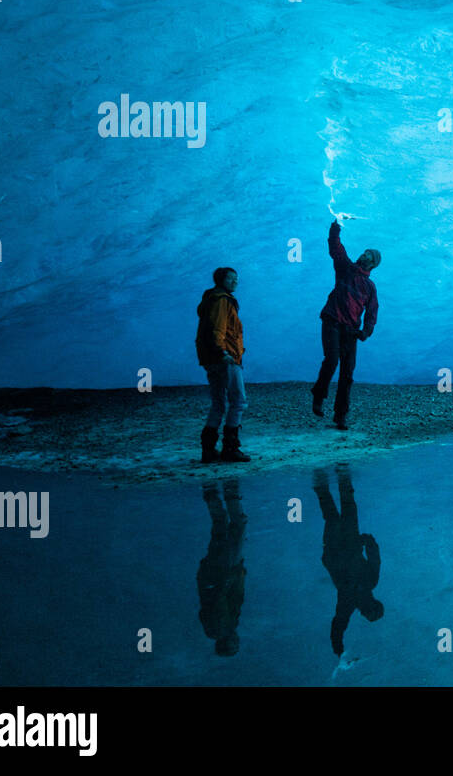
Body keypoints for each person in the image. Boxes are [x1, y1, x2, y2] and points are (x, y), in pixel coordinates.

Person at [311, 221, 379, 430]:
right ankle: (319, 395)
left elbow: (372, 312)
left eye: (369, 254)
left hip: (350, 331)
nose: (364, 254)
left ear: (373, 263)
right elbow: (336, 249)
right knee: (331, 360)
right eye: (365, 252)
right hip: (332, 321)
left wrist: (365, 332)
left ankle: (340, 415)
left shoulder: (369, 287)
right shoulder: (345, 268)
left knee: (347, 373)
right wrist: (334, 229)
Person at [313, 465, 383, 657]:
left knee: (339, 515)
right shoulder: (361, 591)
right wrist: (368, 541)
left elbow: (339, 624)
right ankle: (328, 482)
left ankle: (334, 481)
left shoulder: (353, 597)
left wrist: (368, 541)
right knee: (337, 515)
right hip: (344, 548)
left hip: (340, 550)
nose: (367, 602)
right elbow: (338, 625)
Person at [196, 267, 249, 462]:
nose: (235, 281)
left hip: (210, 359)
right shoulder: (222, 301)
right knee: (238, 401)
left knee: (218, 403)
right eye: (231, 278)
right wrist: (223, 351)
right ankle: (230, 448)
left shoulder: (211, 299)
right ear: (221, 280)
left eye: (237, 278)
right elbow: (218, 328)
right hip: (225, 358)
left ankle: (208, 450)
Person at [197, 479, 246, 656]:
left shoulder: (223, 626)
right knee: (219, 528)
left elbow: (220, 597)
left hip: (226, 570)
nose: (238, 641)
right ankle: (210, 492)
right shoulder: (216, 627)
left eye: (235, 645)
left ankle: (231, 491)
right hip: (213, 571)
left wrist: (235, 574)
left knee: (237, 527)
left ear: (228, 643)